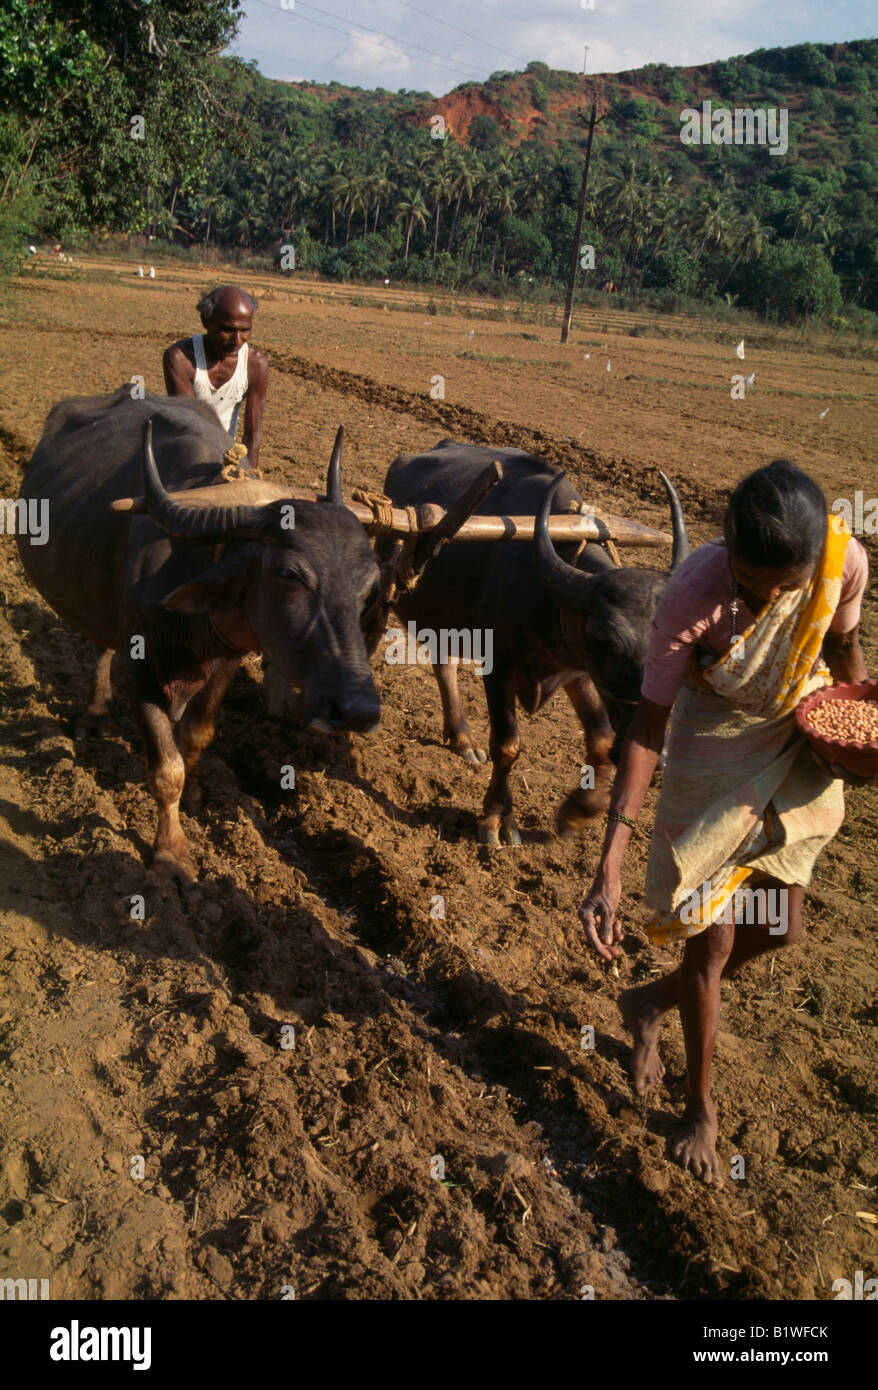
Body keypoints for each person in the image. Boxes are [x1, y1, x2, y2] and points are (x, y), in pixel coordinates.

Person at [578, 459, 870, 1184]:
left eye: (786, 590)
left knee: (783, 925)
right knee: (714, 942)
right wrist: (609, 860)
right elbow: (648, 727)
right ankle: (700, 1110)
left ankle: (648, 1001)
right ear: (726, 552)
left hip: (797, 729)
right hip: (712, 744)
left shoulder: (845, 562)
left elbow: (838, 647)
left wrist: (862, 712)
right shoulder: (692, 594)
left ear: (815, 565)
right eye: (750, 586)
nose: (766, 602)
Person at [163, 285, 268, 469]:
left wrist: (248, 480)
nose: (237, 340)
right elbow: (190, 427)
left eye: (245, 330)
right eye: (227, 329)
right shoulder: (180, 358)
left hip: (227, 455)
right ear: (205, 321)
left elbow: (252, 436)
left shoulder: (255, 364)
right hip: (183, 450)